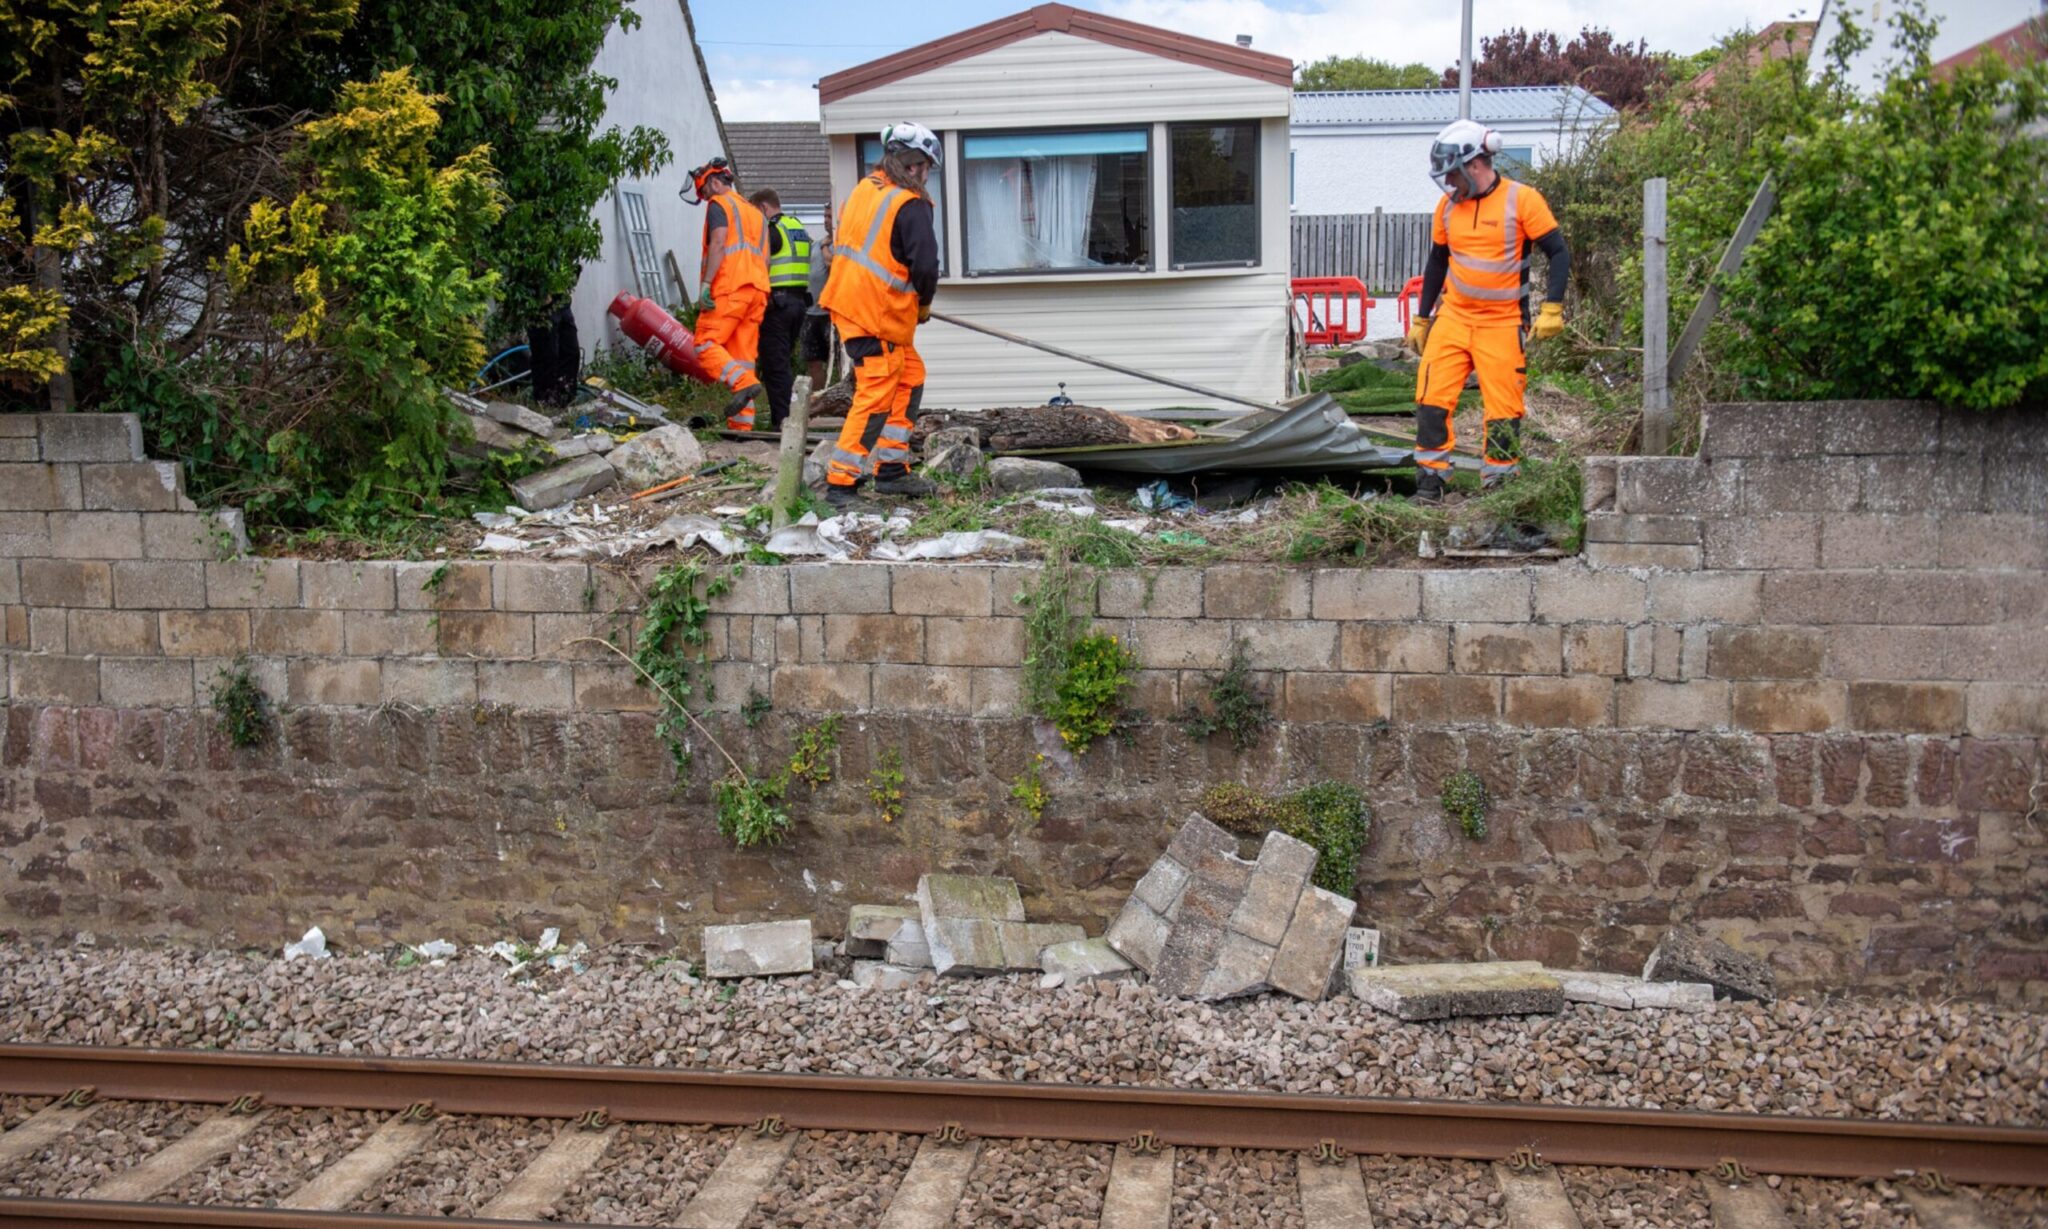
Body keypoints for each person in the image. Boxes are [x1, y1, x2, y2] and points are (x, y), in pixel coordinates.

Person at [1404, 119, 1572, 502]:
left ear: (1474, 165)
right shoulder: (1446, 209)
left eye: (1453, 176)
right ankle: (1430, 485)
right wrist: (1422, 317)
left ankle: (1500, 488)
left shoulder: (1522, 200)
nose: (1449, 185)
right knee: (1430, 398)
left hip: (1502, 322)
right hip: (1455, 318)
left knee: (1502, 408)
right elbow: (1436, 262)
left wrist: (1552, 307)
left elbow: (1558, 252)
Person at [817, 121, 942, 505]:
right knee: (875, 395)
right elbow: (925, 266)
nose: (925, 175)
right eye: (925, 167)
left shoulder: (865, 189)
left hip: (852, 304)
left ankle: (890, 469)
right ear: (913, 164)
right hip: (877, 314)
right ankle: (841, 484)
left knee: (910, 375)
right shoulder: (910, 202)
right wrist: (922, 305)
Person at [686, 158, 770, 430]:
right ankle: (742, 427)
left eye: (704, 192)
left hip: (729, 287)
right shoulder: (756, 214)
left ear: (713, 181)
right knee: (742, 357)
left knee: (704, 343)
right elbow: (765, 259)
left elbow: (719, 242)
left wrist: (707, 283)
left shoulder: (719, 205)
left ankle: (744, 384)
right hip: (757, 290)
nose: (705, 198)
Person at [749, 188, 814, 430]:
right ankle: (790, 417)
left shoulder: (771, 231)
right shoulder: (796, 226)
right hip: (798, 303)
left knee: (775, 366)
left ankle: (783, 423)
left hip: (777, 304)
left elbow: (762, 262)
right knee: (783, 362)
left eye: (756, 213)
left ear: (764, 208)